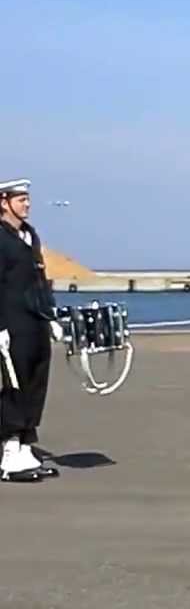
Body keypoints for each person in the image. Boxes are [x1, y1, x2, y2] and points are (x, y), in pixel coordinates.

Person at [0, 179, 61, 482]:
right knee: (15, 383)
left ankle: (25, 445)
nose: (27, 204)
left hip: (35, 319)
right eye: (21, 199)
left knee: (36, 380)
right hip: (12, 322)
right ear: (4, 202)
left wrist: (50, 316)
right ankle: (9, 451)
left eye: (27, 198)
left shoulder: (29, 235)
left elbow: (39, 279)